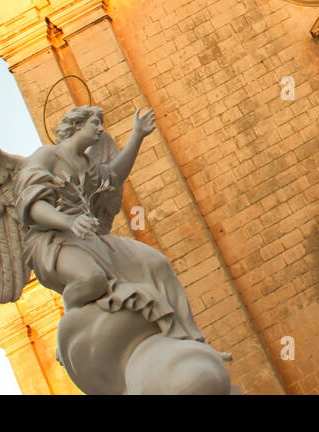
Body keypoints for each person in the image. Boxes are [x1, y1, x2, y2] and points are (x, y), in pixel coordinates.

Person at [13, 105, 206, 342]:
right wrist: (69, 221)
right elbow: (31, 206)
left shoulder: (88, 164)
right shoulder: (47, 156)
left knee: (157, 263)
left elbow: (114, 177)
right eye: (94, 123)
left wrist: (137, 136)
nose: (100, 129)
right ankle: (70, 330)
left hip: (88, 237)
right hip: (53, 241)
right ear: (77, 126)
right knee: (90, 279)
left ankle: (189, 337)